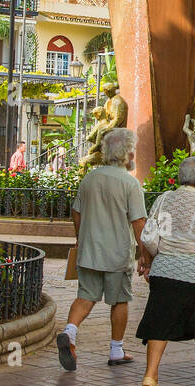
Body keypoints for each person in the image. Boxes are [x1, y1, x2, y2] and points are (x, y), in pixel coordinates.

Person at [134, 154, 195, 386]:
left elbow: (153, 234)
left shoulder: (164, 200)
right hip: (193, 274)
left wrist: (148, 262)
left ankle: (150, 375)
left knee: (159, 321)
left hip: (163, 270)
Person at [59, 128, 146, 372]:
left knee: (85, 297)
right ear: (127, 153)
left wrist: (80, 238)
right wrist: (146, 255)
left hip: (89, 252)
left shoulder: (89, 179)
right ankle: (116, 350)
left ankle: (70, 332)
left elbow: (76, 211)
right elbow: (139, 222)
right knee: (119, 300)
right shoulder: (130, 183)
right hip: (117, 255)